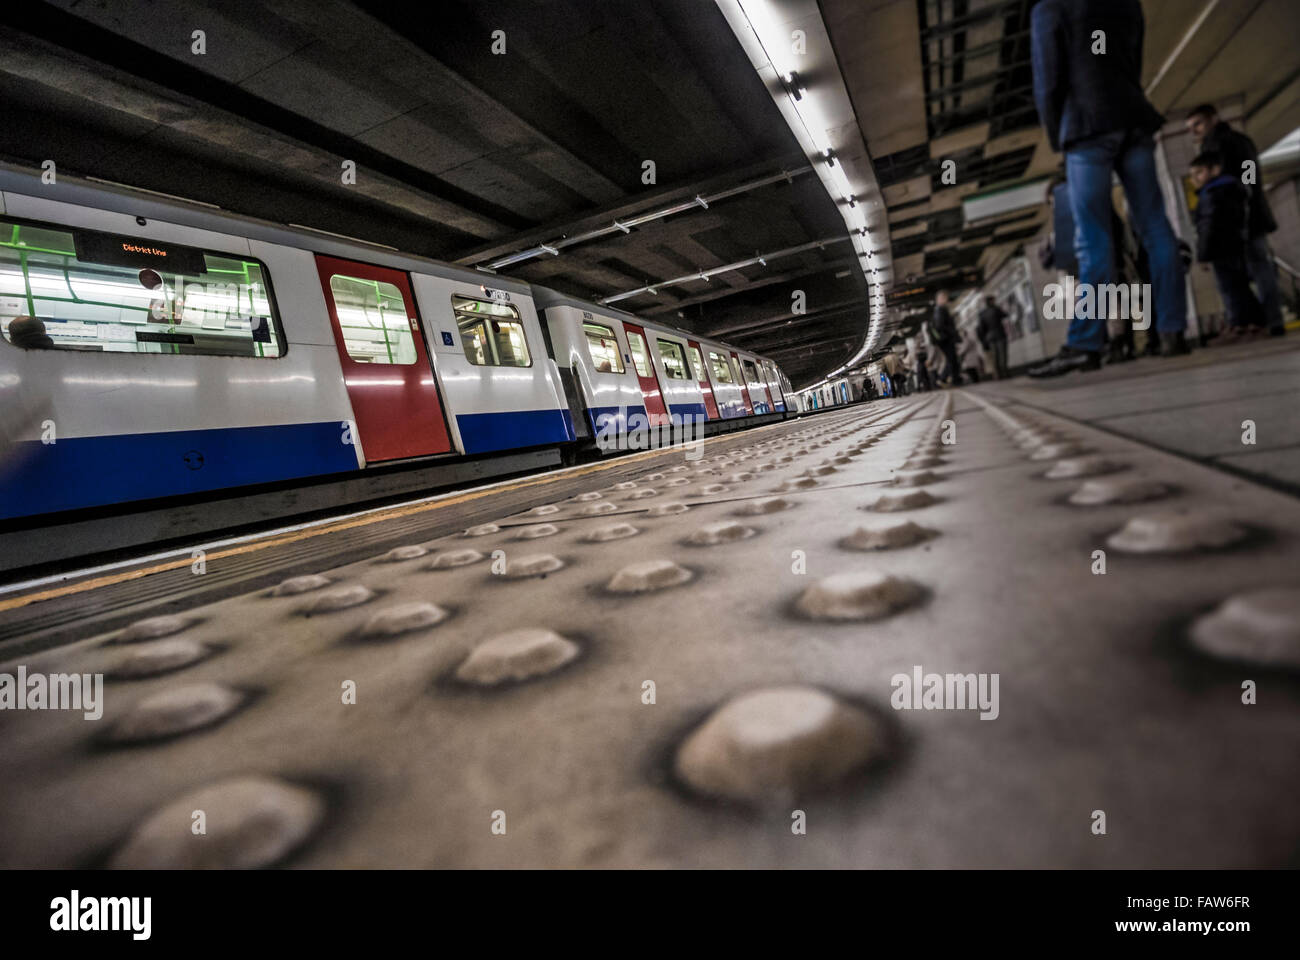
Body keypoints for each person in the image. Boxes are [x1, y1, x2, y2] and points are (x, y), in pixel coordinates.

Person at [1028, 0, 1189, 378]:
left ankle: (1086, 344)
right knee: (1156, 228)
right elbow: (1133, 60)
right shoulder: (1127, 3)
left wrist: (1058, 137)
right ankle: (1172, 332)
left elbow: (1048, 80)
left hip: (1085, 125)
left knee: (1093, 237)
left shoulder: (1050, 7)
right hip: (1133, 116)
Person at [1186, 104, 1283, 336]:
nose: (1194, 131)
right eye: (1190, 127)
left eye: (1198, 124)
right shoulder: (1224, 142)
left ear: (1214, 119)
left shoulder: (1230, 142)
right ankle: (1262, 321)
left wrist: (1246, 192)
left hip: (1243, 217)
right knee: (1248, 271)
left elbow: (1249, 170)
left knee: (1258, 268)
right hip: (1242, 215)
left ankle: (1271, 320)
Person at [1189, 151, 1264, 340]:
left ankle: (1238, 324)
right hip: (1235, 245)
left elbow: (1207, 226)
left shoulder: (1211, 194)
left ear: (1215, 170)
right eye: (1192, 175)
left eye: (1199, 173)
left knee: (1229, 288)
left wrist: (1203, 255)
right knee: (1240, 286)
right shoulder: (1233, 190)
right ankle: (1254, 323)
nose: (1194, 179)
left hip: (1219, 249)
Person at [928, 291, 962, 386]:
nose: (946, 300)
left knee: (951, 358)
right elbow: (941, 325)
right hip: (945, 339)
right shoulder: (940, 310)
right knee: (952, 358)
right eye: (944, 298)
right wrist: (952, 333)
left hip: (943, 339)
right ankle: (950, 379)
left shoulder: (939, 310)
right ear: (939, 299)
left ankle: (951, 378)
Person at [977, 296, 1011, 378]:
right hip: (1000, 335)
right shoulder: (996, 309)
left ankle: (997, 374)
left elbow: (981, 328)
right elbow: (1005, 315)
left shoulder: (982, 313)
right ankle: (1004, 373)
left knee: (994, 356)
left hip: (990, 337)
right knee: (1002, 354)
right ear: (991, 301)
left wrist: (984, 340)